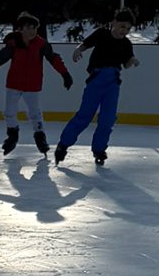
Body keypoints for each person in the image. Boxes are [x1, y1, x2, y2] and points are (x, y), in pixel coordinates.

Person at [0, 11, 73, 156]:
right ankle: (13, 136)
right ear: (20, 29)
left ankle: (40, 137)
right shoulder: (13, 44)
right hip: (13, 84)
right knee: (9, 113)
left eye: (34, 28)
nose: (31, 31)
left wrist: (65, 74)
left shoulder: (41, 44)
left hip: (32, 85)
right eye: (28, 27)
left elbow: (54, 59)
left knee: (35, 114)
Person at [54, 9, 140, 166]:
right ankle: (63, 145)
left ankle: (99, 149)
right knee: (84, 116)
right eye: (122, 26)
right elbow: (85, 44)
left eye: (128, 28)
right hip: (96, 80)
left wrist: (132, 60)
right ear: (113, 22)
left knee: (108, 119)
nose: (124, 31)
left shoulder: (126, 44)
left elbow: (126, 64)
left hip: (113, 83)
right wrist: (78, 50)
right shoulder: (102, 34)